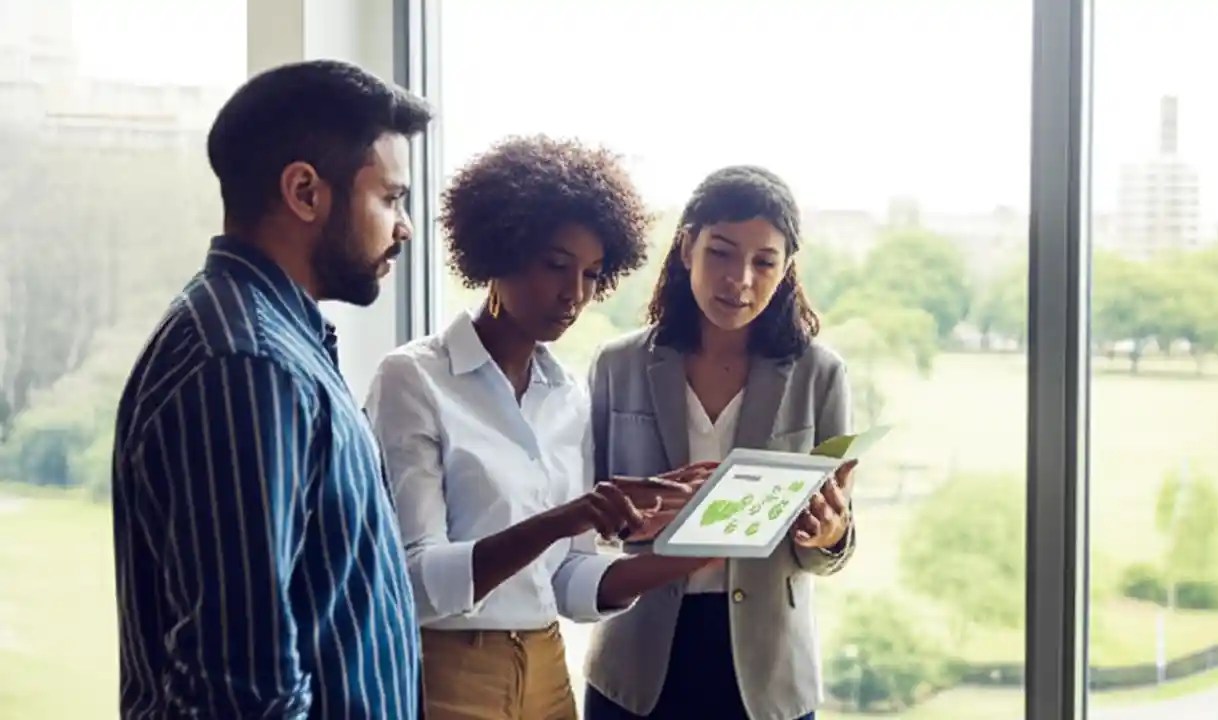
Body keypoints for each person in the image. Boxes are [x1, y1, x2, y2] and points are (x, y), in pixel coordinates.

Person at [110, 60, 430, 719]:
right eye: (391, 198)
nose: (404, 227)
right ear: (305, 192)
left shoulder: (271, 342)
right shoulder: (247, 364)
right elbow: (242, 687)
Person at [364, 135, 718, 720]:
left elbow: (568, 579)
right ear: (499, 252)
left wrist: (688, 554)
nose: (573, 294)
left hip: (549, 672)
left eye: (591, 275)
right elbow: (414, 581)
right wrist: (570, 515)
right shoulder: (414, 380)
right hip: (449, 673)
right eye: (556, 266)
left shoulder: (567, 396)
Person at [582, 166, 858, 720]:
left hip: (767, 670)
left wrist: (830, 535)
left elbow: (829, 550)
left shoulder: (819, 374)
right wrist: (627, 522)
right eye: (722, 253)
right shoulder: (619, 366)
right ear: (687, 247)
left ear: (786, 270)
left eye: (764, 262)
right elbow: (587, 522)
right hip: (637, 661)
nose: (741, 280)